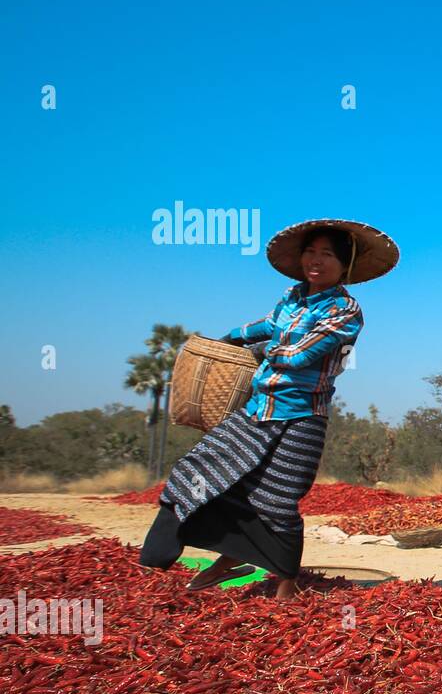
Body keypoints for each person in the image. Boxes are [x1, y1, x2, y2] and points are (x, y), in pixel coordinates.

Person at [139, 219, 399, 600]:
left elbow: (301, 354)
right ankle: (168, 558)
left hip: (301, 416)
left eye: (327, 254)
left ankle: (285, 584)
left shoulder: (346, 310)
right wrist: (227, 340)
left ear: (344, 264)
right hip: (258, 408)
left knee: (276, 499)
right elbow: (262, 326)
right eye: (311, 252)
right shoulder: (291, 297)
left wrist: (262, 350)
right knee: (199, 468)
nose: (316, 260)